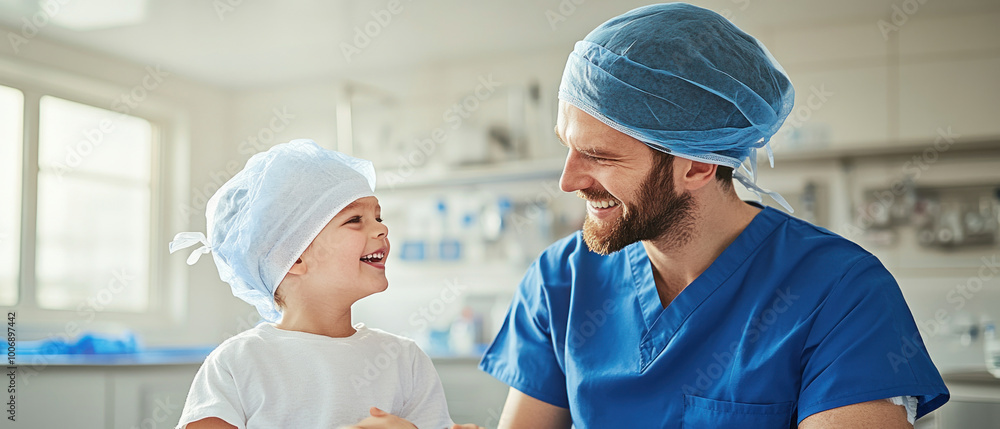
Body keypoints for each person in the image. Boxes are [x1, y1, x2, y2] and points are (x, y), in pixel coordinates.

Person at [477, 3, 949, 428]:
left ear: (698, 165)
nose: (568, 180)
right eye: (568, 147)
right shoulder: (562, 282)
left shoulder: (843, 292)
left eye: (600, 156)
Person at [169, 139, 482, 429]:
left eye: (378, 216)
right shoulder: (238, 363)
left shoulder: (405, 361)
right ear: (291, 258)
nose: (381, 229)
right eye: (354, 220)